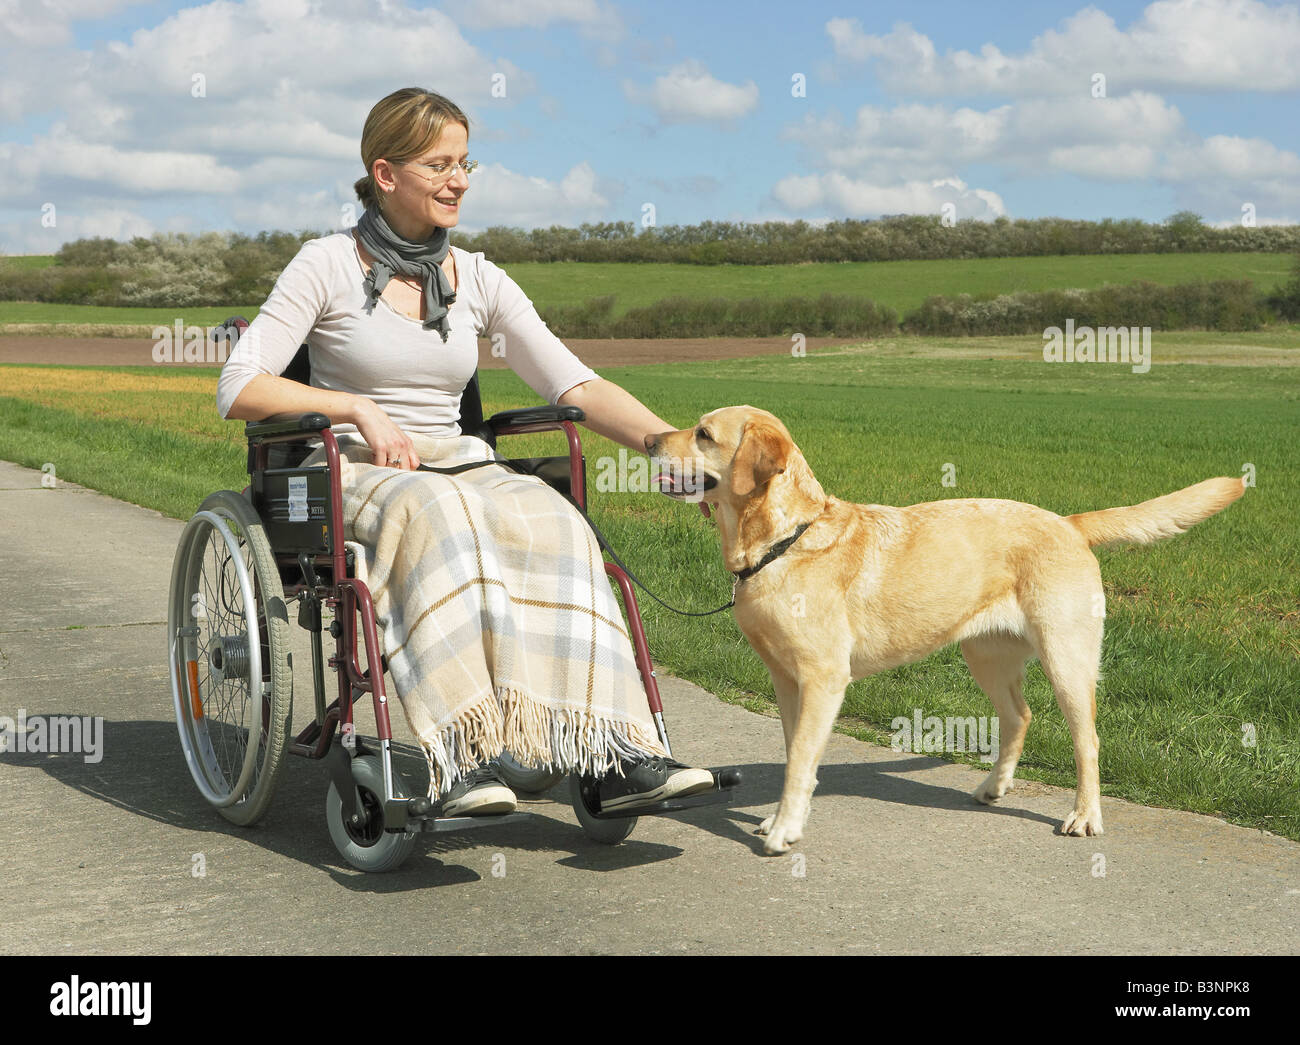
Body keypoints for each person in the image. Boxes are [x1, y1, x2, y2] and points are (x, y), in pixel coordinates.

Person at [216, 87, 713, 817]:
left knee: (557, 519)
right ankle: (451, 748)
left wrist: (666, 449)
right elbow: (240, 385)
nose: (460, 180)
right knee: (436, 510)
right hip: (352, 469)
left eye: (465, 162)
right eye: (440, 164)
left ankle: (612, 751)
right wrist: (354, 405)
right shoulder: (324, 265)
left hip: (456, 460)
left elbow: (575, 381)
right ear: (386, 174)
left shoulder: (476, 277)